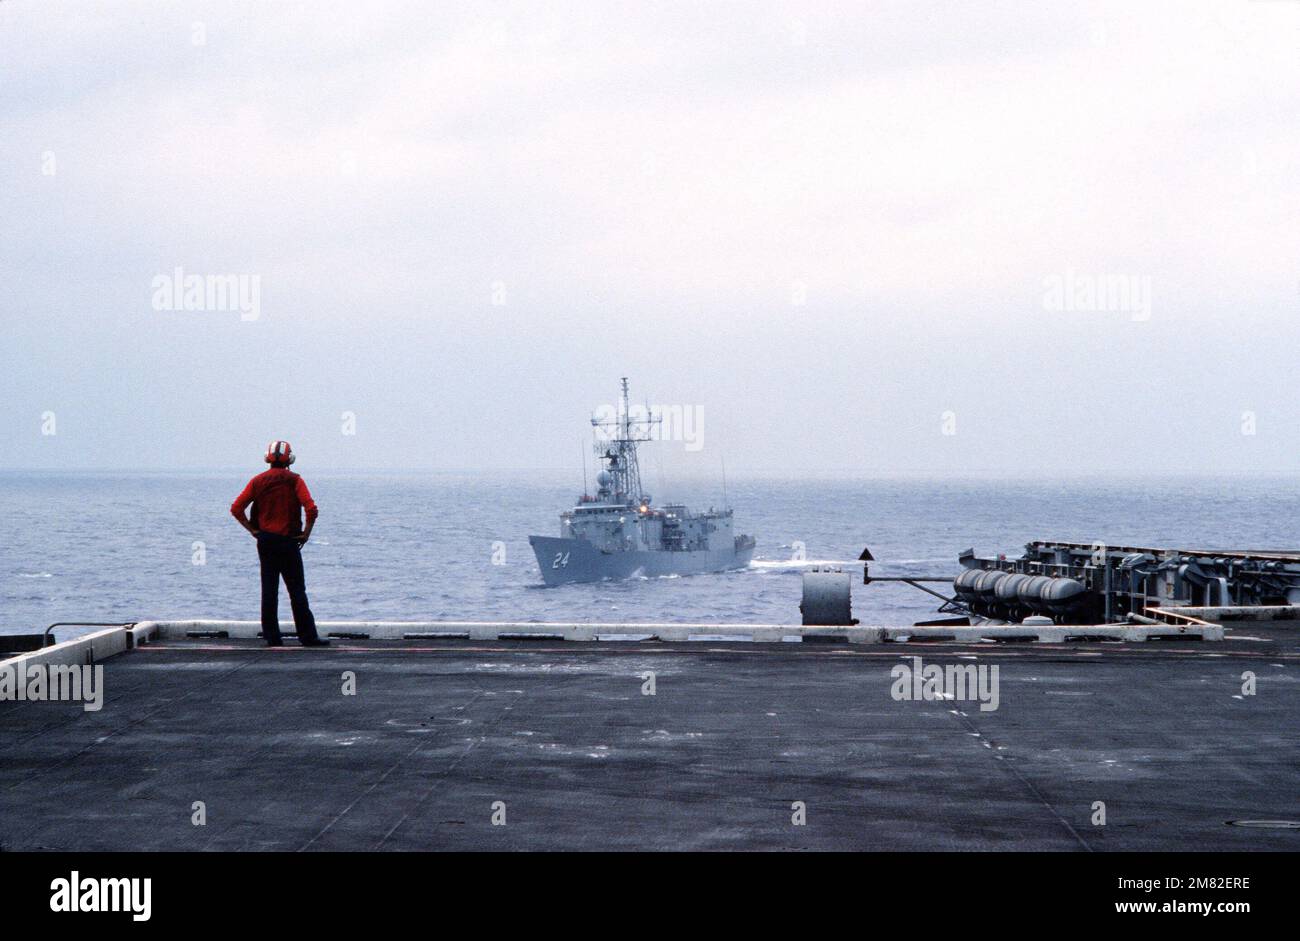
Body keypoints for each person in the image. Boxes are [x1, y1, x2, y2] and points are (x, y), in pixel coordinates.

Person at [230, 440, 329, 648]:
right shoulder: (295, 481)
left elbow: (237, 508)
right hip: (289, 542)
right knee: (297, 590)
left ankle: (272, 637)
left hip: (265, 541)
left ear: (267, 458)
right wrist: (306, 534)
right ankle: (308, 636)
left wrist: (253, 530)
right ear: (289, 459)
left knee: (269, 588)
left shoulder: (258, 481)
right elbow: (311, 509)